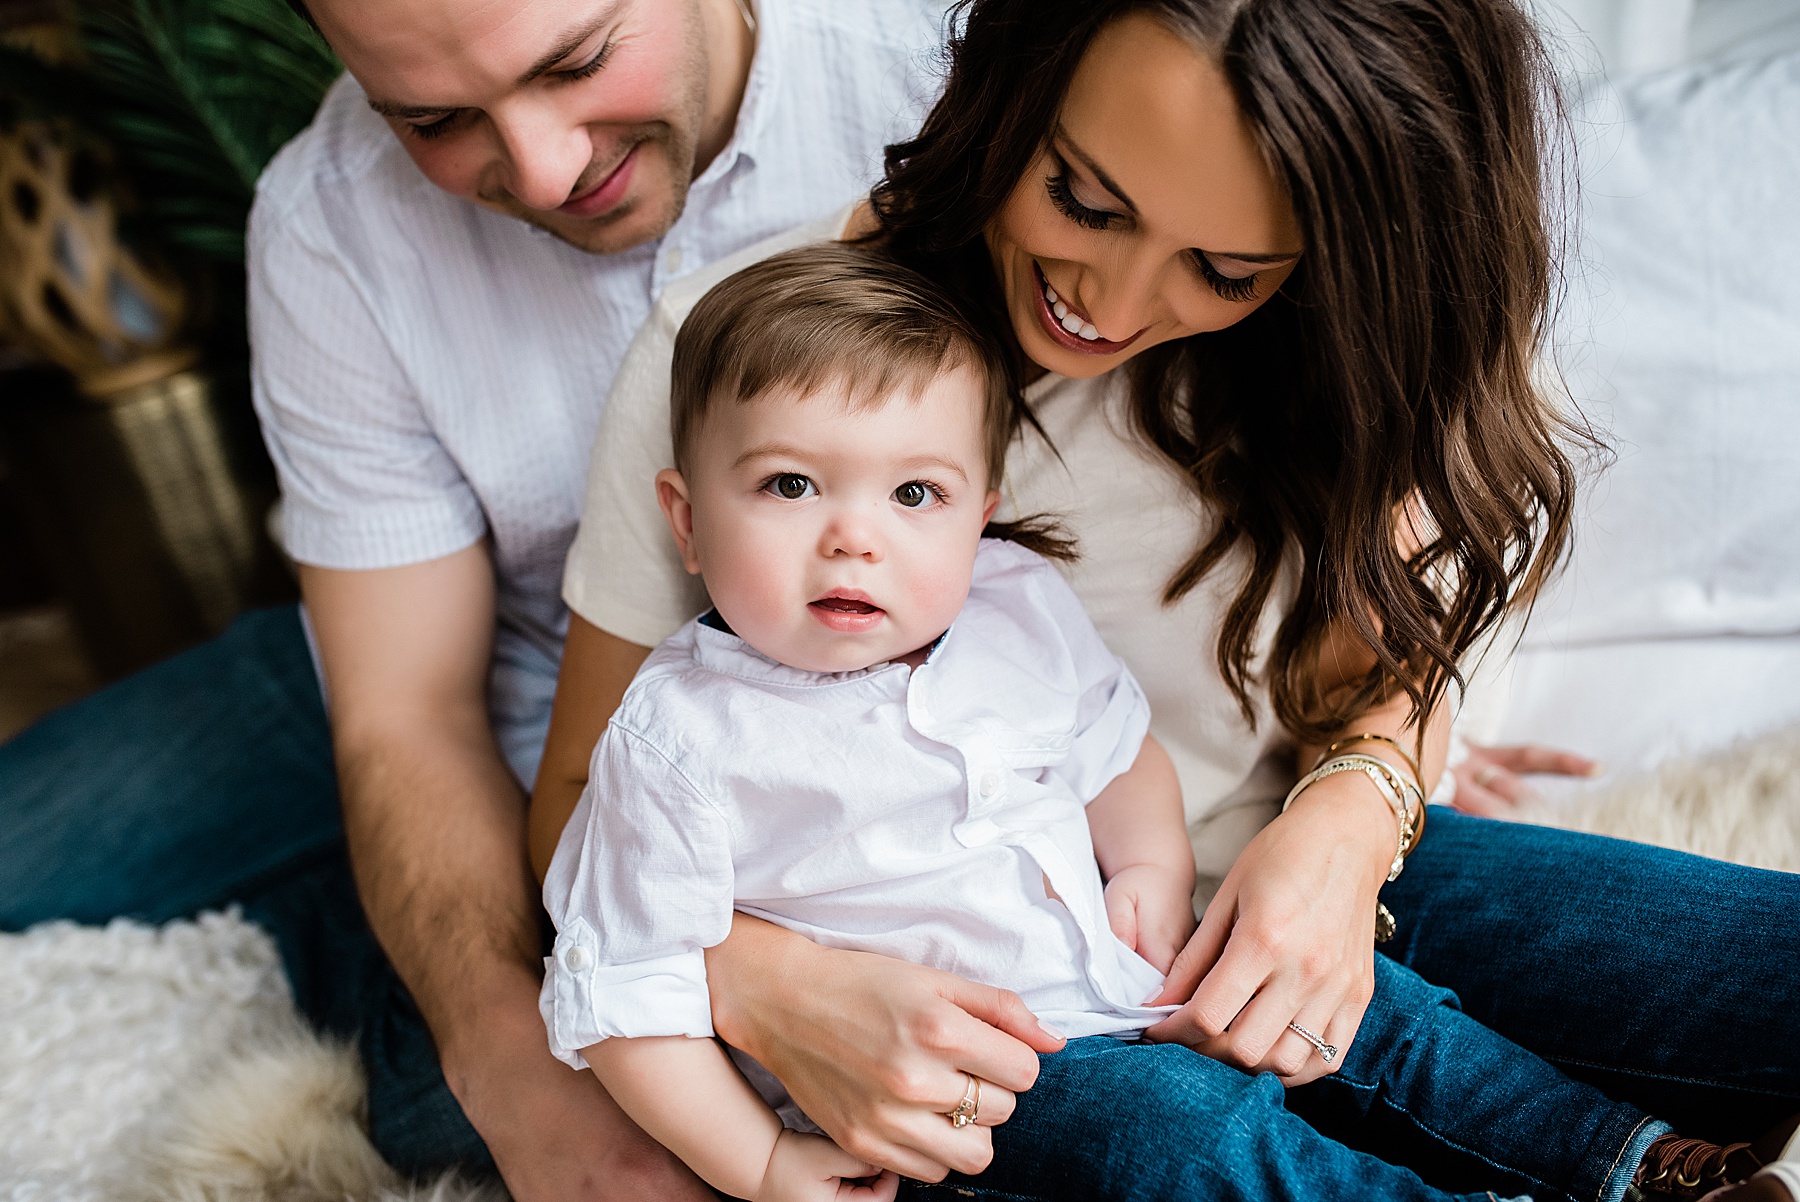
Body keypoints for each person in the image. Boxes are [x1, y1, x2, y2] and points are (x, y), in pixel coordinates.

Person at [531, 0, 1800, 1197]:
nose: (1113, 304)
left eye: (1229, 267)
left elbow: (1380, 676)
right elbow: (586, 813)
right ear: (1019, 90)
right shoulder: (757, 363)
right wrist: (771, 986)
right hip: (981, 1017)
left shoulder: (1345, 343)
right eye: (1082, 198)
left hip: (1269, 872)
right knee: (1174, 1136)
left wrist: (1349, 828)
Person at [0, 0, 955, 1193]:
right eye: (436, 119)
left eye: (581, 60)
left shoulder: (942, 75)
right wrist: (517, 1079)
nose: (548, 168)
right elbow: (405, 714)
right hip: (422, 654)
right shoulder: (328, 222)